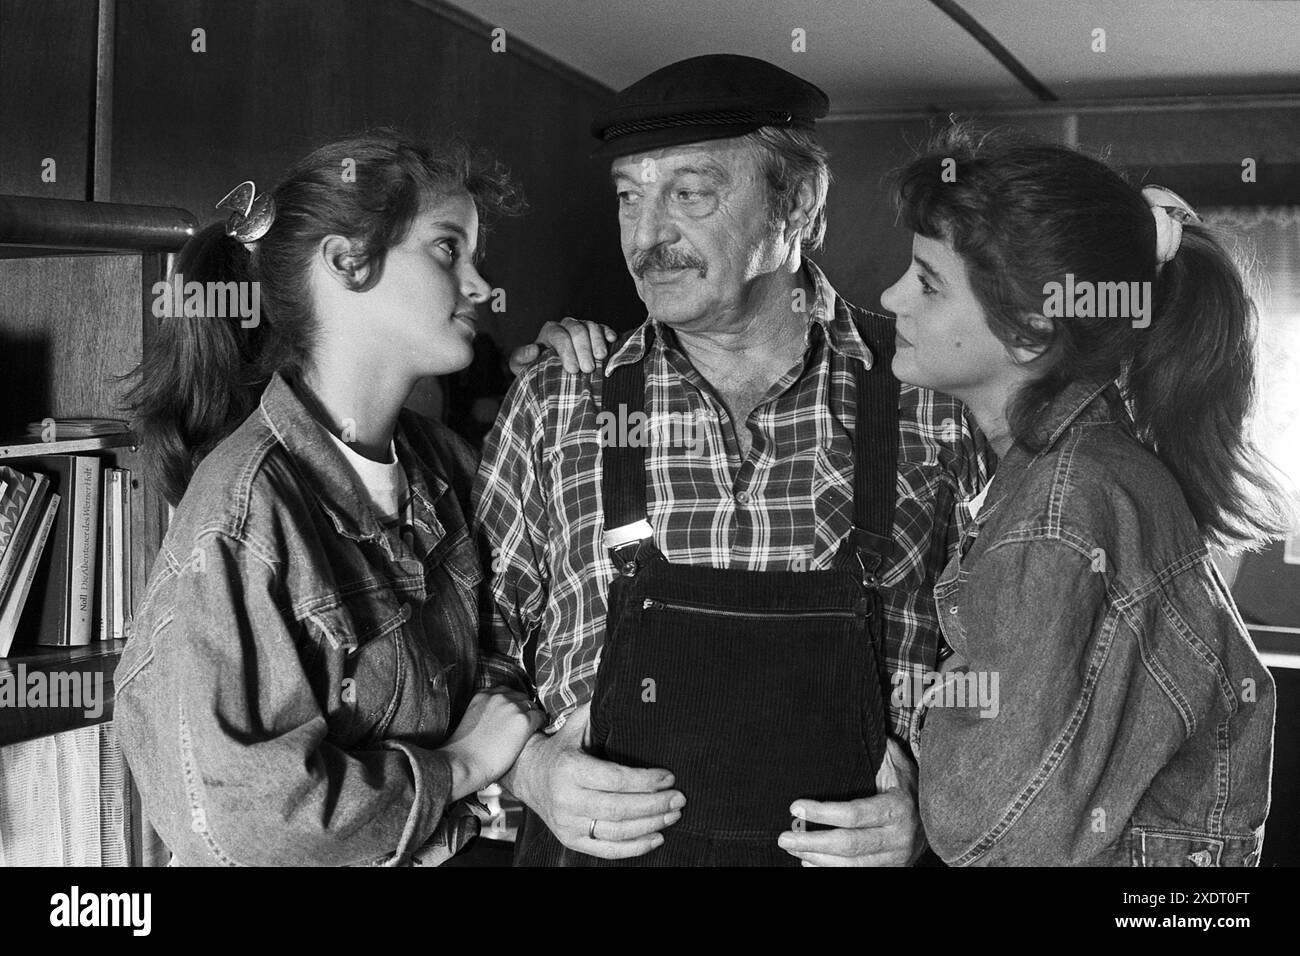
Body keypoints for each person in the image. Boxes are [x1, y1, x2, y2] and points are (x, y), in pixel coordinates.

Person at [473, 55, 991, 866]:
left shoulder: (934, 395)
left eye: (690, 193)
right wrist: (530, 771)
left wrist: (935, 807)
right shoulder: (558, 400)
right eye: (629, 197)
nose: (647, 237)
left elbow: (1006, 657)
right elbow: (469, 643)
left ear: (798, 202)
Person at [115, 129, 614, 866]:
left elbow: (534, 619)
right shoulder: (244, 516)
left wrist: (554, 404)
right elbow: (246, 827)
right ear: (348, 263)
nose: (480, 286)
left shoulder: (443, 464)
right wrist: (462, 764)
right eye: (448, 249)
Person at [884, 125, 1293, 865]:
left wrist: (921, 705)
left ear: (1031, 332)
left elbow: (980, 819)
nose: (891, 298)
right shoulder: (1082, 474)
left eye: (928, 282)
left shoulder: (1062, 512)